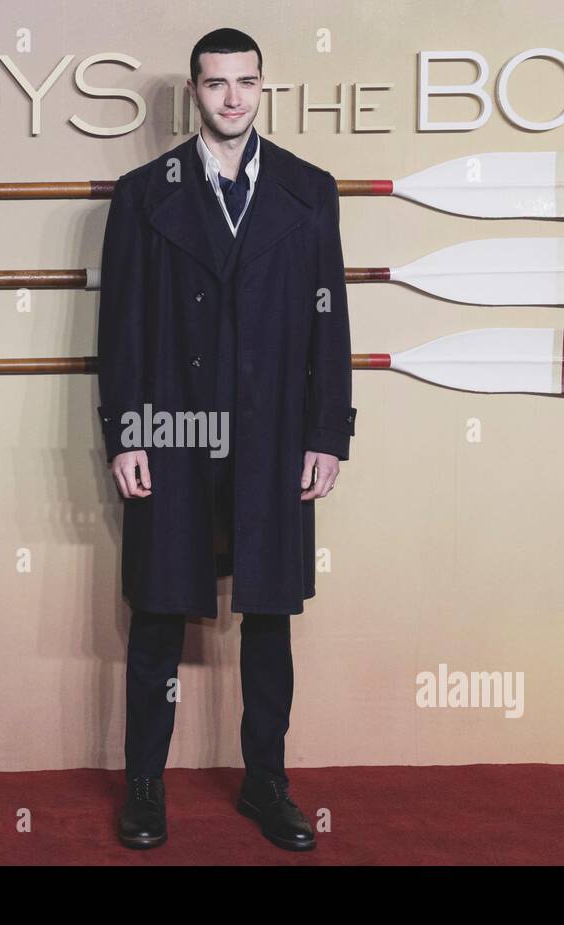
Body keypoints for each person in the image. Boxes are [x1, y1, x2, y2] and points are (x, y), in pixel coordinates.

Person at [96, 27, 356, 852]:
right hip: (172, 425)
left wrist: (329, 434)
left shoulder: (310, 191)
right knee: (161, 609)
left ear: (262, 86)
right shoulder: (143, 194)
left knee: (270, 610)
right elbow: (123, 325)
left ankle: (265, 781)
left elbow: (331, 323)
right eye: (216, 85)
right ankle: (144, 785)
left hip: (276, 429)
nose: (233, 98)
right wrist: (126, 431)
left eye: (246, 82)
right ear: (194, 95)